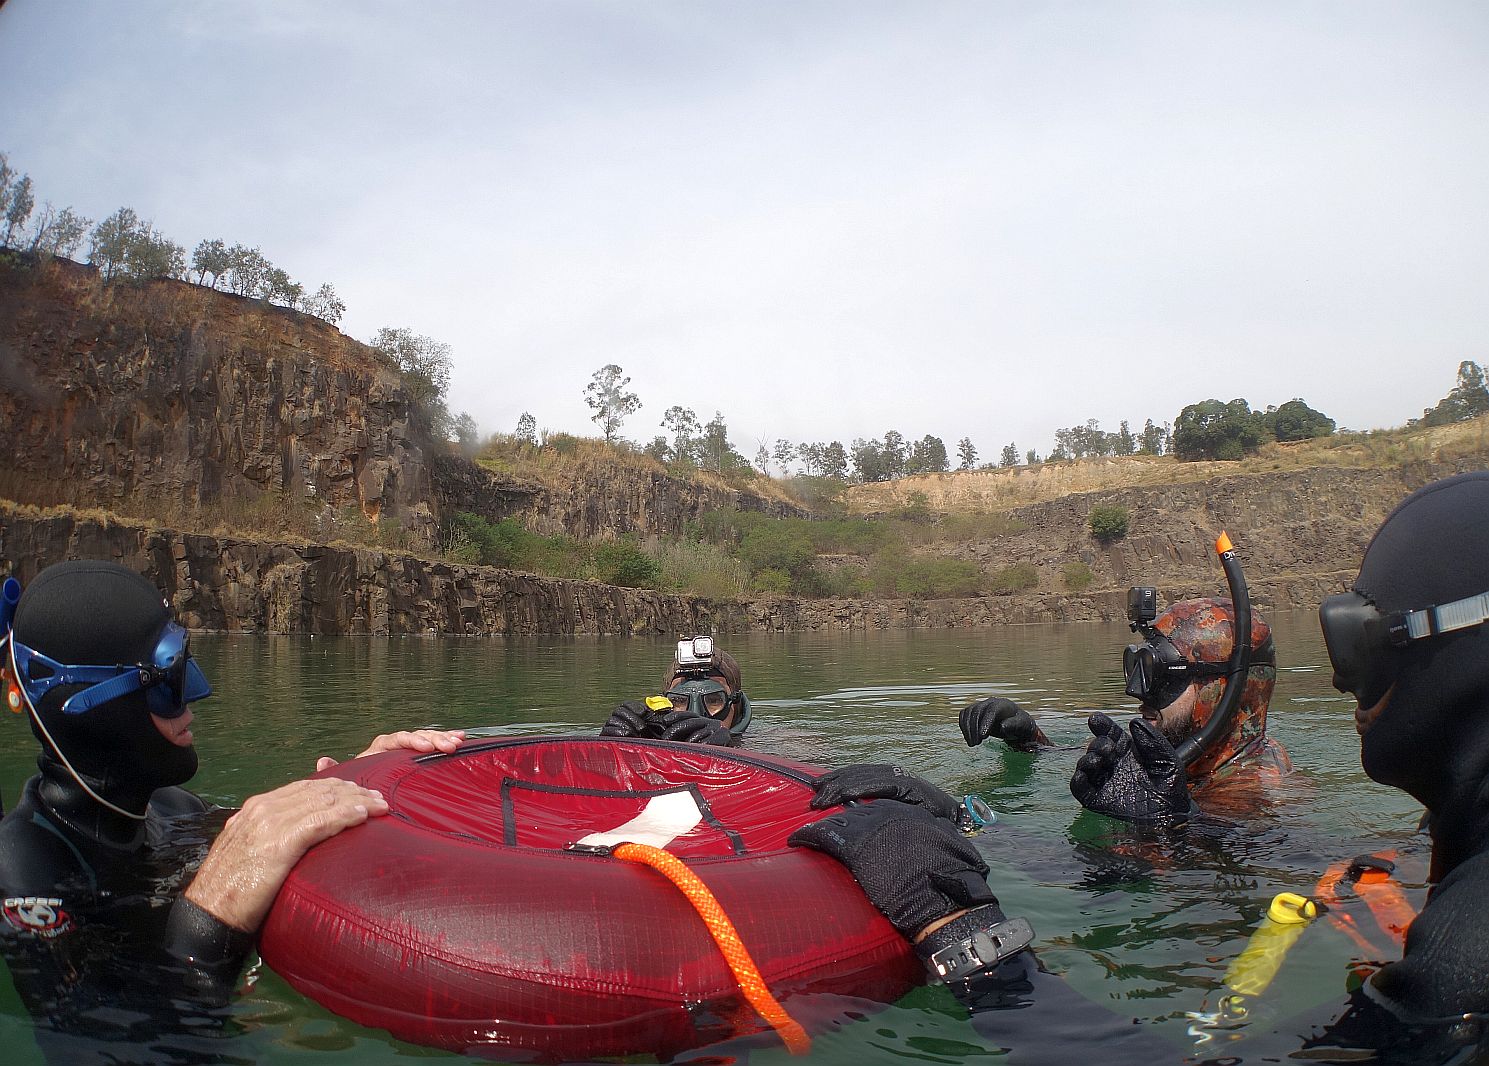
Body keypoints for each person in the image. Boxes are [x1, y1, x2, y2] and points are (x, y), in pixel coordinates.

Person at [797, 473, 1489, 1062]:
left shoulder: (1268, 797)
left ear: (1226, 686)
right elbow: (1102, 793)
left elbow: (1246, 886)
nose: (1140, 697)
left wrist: (963, 931)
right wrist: (1025, 745)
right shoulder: (1176, 760)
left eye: (1159, 678)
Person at [0, 559, 463, 1063]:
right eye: (168, 679)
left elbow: (257, 841)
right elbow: (104, 1049)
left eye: (188, 659)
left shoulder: (173, 809)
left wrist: (357, 777)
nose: (198, 694)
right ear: (94, 706)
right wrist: (211, 917)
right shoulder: (26, 875)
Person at [960, 596, 1290, 824]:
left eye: (1161, 678)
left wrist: (1161, 823)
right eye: (1138, 668)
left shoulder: (1253, 795)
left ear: (1222, 692)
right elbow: (1081, 763)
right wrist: (1029, 739)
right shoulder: (1174, 753)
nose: (1139, 693)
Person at [599, 635, 751, 747]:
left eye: (714, 701)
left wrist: (729, 754)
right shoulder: (650, 743)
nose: (695, 715)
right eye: (679, 701)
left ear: (736, 706)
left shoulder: (765, 745)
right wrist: (612, 750)